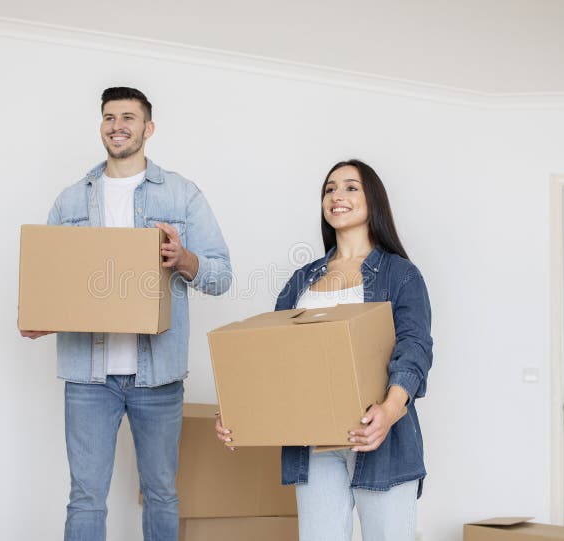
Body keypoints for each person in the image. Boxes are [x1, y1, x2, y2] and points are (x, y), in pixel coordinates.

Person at [22, 86, 232, 541]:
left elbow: (221, 276)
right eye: (109, 117)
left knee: (161, 493)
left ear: (148, 128)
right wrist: (41, 316)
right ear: (101, 125)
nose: (117, 126)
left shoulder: (182, 194)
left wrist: (185, 260)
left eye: (128, 118)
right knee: (85, 498)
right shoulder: (70, 201)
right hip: (88, 377)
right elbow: (51, 280)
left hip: (157, 377)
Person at [215, 159, 432, 541]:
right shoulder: (302, 280)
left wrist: (389, 411)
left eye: (350, 187)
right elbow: (271, 355)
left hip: (380, 436)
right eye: (329, 189)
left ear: (373, 200)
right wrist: (238, 411)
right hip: (312, 443)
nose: (337, 196)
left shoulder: (400, 274)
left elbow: (414, 347)